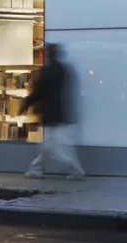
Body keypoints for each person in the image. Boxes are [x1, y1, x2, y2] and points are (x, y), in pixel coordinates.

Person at [24, 42, 85, 178]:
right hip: (60, 114)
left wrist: (26, 104)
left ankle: (74, 168)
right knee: (49, 146)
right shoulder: (63, 70)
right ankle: (37, 168)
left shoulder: (48, 71)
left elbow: (38, 91)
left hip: (51, 115)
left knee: (50, 147)